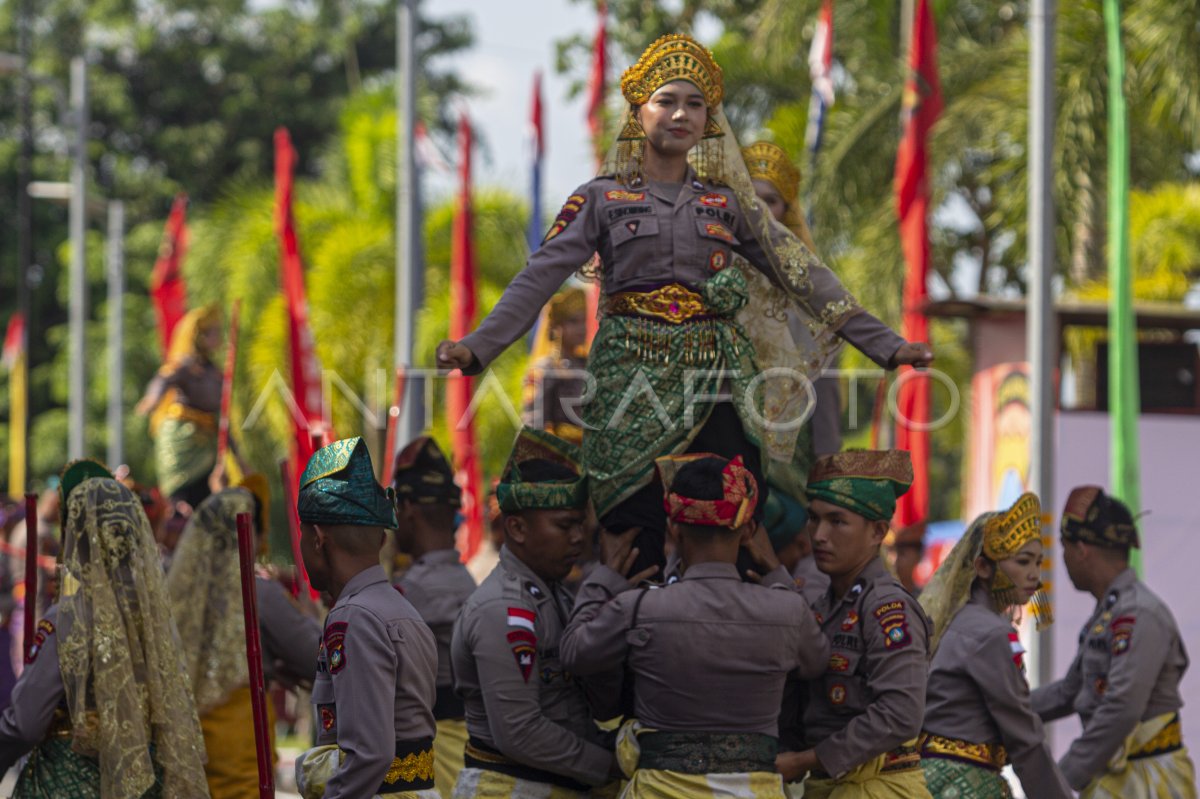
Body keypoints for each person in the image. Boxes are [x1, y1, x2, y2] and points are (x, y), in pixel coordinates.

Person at [438, 34, 933, 577]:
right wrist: (476, 347)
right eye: (667, 101)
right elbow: (540, 276)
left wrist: (887, 345)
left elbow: (803, 274)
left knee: (737, 511)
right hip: (630, 380)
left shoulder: (726, 203)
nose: (681, 115)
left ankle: (738, 635)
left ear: (708, 119)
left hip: (714, 380)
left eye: (695, 104)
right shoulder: (600, 199)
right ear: (638, 111)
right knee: (632, 536)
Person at [561, 453, 827, 798]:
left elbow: (573, 653)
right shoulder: (786, 610)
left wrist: (604, 579)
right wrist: (776, 572)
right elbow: (817, 660)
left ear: (674, 527)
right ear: (748, 530)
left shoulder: (639, 608)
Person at [0, 462, 207, 798]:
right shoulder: (156, 622)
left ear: (76, 539)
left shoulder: (69, 616)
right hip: (143, 783)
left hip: (69, 784)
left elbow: (25, 723)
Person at [450, 428, 616, 798]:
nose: (578, 537)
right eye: (564, 525)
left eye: (580, 523)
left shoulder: (556, 595)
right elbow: (521, 731)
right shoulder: (503, 608)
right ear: (517, 527)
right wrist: (611, 764)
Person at [776, 450, 932, 798]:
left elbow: (901, 713)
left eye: (837, 521)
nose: (818, 535)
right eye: (814, 519)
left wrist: (807, 760)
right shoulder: (823, 605)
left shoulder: (887, 607)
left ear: (878, 532)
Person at [292, 437, 440, 799]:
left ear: (317, 538)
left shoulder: (353, 618)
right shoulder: (398, 607)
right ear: (381, 541)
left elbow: (368, 756)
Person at [1032, 486, 1196, 797]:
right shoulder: (1111, 611)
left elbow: (1121, 708)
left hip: (1147, 781)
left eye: (1064, 546)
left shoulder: (1137, 613)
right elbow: (1070, 691)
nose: (1062, 557)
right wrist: (998, 709)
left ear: (1082, 549)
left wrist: (1061, 780)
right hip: (1122, 777)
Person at [167, 481, 321, 799]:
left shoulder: (175, 598)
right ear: (256, 538)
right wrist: (309, 616)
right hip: (240, 769)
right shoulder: (259, 595)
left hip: (185, 763)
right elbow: (317, 660)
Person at [918, 493, 1071, 798]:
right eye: (1022, 561)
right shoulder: (991, 634)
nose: (1034, 575)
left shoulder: (959, 622)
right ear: (983, 568)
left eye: (1038, 562)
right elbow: (1024, 739)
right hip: (964, 784)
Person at [743, 139, 844, 462]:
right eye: (750, 198)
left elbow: (823, 385)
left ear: (785, 211)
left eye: (770, 200)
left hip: (787, 449)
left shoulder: (807, 286)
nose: (759, 209)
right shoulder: (706, 265)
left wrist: (826, 462)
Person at [391, 436, 478, 797]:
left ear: (407, 507)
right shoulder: (469, 581)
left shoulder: (415, 593)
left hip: (434, 752)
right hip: (473, 748)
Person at [136, 304, 225, 507]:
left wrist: (240, 460)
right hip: (182, 438)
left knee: (207, 499)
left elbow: (222, 416)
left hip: (206, 441)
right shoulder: (186, 366)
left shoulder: (214, 372)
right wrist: (152, 399)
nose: (219, 336)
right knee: (182, 500)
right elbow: (163, 379)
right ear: (200, 337)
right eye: (214, 332)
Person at [523, 286, 590, 446]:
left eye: (584, 321)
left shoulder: (590, 365)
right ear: (557, 327)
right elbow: (534, 425)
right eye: (574, 322)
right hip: (561, 457)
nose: (581, 329)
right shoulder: (545, 369)